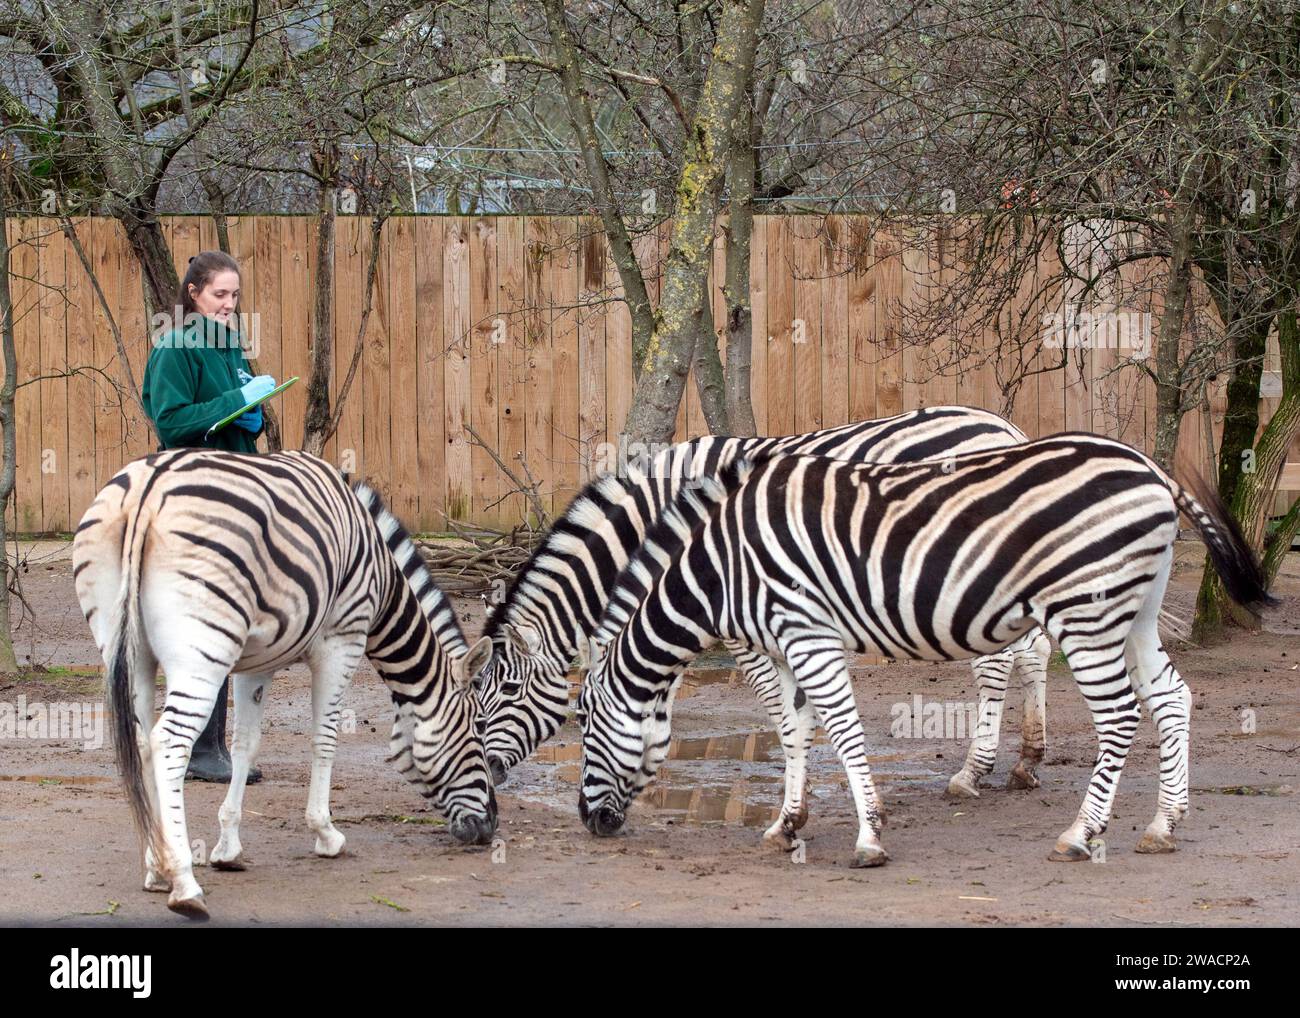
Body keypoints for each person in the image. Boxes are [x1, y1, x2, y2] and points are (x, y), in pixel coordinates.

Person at [141, 250, 277, 782]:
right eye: (220, 294)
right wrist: (232, 405)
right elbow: (172, 423)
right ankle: (198, 750)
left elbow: (235, 422)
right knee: (207, 621)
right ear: (193, 293)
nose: (229, 303)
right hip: (198, 497)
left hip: (239, 493)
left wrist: (252, 414)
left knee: (234, 620)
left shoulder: (228, 345)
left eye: (235, 295)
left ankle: (215, 748)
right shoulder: (175, 345)